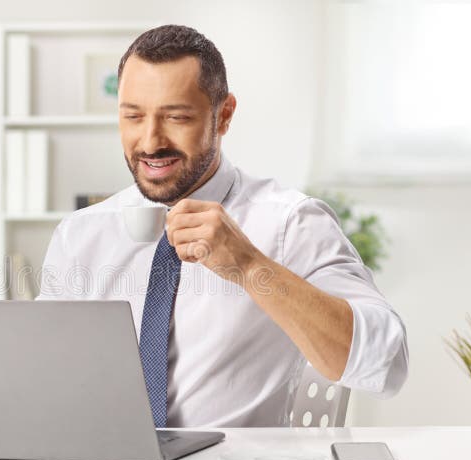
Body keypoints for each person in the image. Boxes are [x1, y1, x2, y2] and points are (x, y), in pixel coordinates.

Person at [37, 25, 408, 427]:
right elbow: (45, 378)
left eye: (176, 117)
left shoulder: (290, 222)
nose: (150, 141)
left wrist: (250, 267)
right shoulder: (80, 235)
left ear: (224, 115)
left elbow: (386, 365)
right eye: (133, 116)